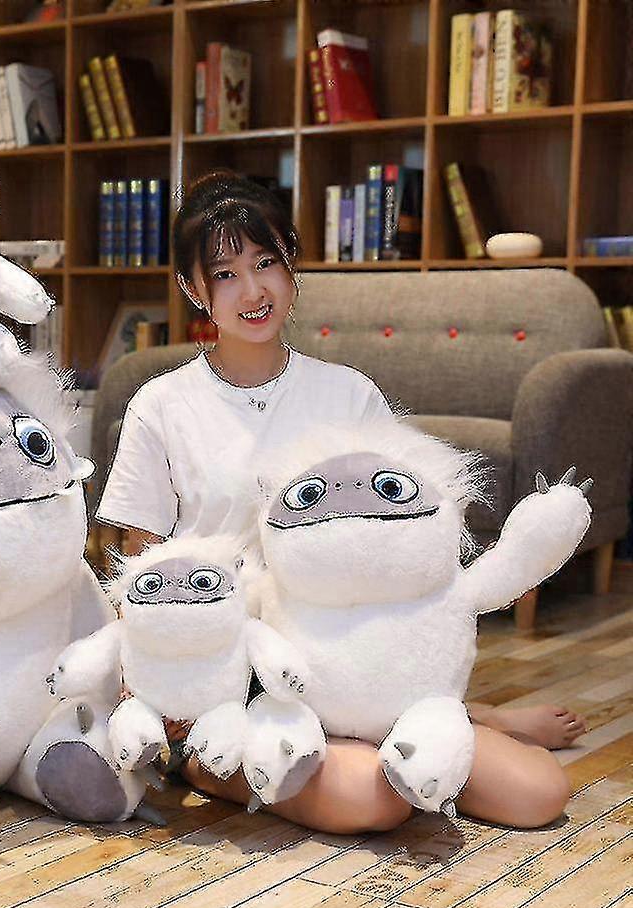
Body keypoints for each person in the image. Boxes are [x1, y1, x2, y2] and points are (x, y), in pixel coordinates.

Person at [95, 170, 582, 833]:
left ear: (292, 262)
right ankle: (226, 758)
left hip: (345, 656)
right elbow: (138, 560)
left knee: (538, 793)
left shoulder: (349, 393)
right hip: (225, 672)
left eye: (266, 263)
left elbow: (402, 535)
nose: (253, 291)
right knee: (371, 799)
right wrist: (147, 682)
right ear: (193, 290)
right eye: (226, 274)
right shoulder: (161, 405)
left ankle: (452, 719)